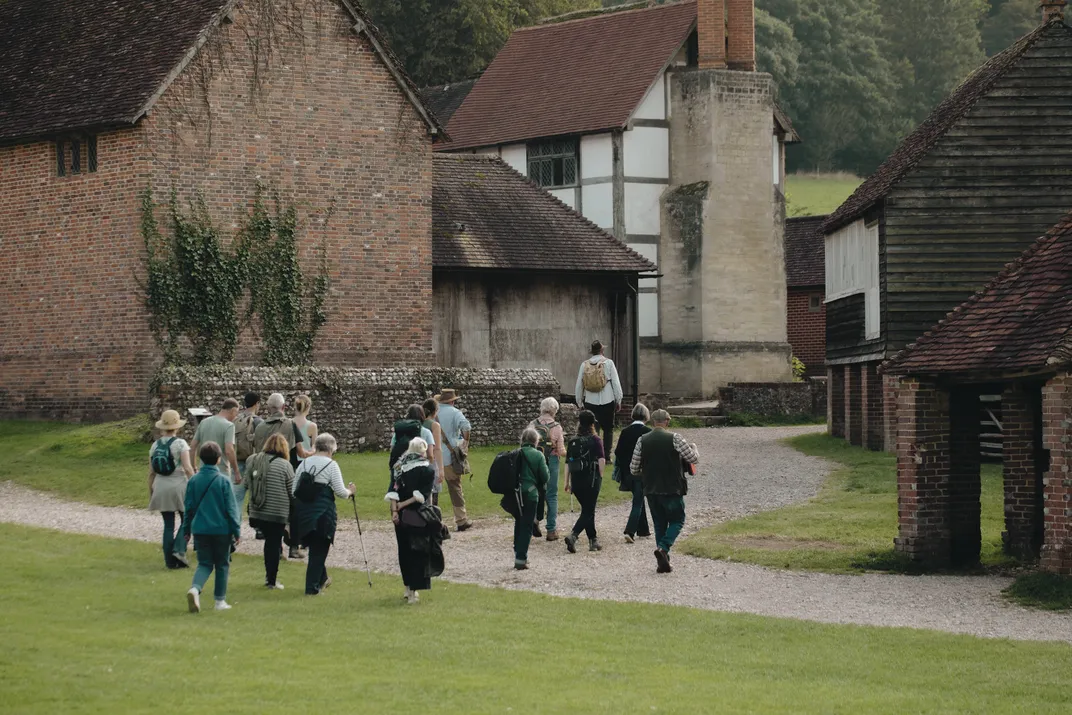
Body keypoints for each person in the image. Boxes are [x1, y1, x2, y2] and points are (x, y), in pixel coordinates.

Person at [629, 409, 700, 574]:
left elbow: (633, 468)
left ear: (653, 422)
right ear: (667, 421)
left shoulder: (642, 440)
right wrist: (694, 448)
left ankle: (663, 562)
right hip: (672, 487)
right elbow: (693, 459)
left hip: (651, 489)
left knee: (659, 523)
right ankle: (663, 548)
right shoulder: (675, 438)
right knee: (678, 520)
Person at [291, 433, 355, 596]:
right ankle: (311, 589)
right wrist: (350, 492)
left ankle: (322, 579)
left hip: (304, 512)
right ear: (331, 448)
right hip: (323, 513)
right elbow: (340, 492)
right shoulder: (331, 465)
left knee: (315, 549)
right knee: (319, 550)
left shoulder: (304, 463)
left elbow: (294, 490)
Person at [184, 442, 241, 613]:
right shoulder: (223, 481)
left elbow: (189, 508)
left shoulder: (193, 480)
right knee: (222, 564)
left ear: (201, 459)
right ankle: (219, 601)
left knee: (205, 563)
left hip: (200, 529)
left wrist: (186, 530)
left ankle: (195, 588)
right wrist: (236, 530)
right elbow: (231, 508)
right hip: (221, 530)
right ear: (218, 459)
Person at [254, 393, 308, 560]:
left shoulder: (260, 427)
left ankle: (276, 548)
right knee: (295, 509)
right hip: (287, 470)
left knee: (273, 511)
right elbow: (300, 451)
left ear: (268, 408)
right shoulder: (290, 425)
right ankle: (293, 546)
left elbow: (256, 451)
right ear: (284, 407)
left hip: (265, 472)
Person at [386, 437, 437, 603]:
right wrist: (403, 505)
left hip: (400, 517)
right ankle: (414, 591)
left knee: (403, 550)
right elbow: (421, 496)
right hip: (417, 514)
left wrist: (395, 510)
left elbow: (393, 490)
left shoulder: (399, 467)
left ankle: (407, 587)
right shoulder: (427, 470)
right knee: (418, 550)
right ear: (422, 451)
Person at [246, 433, 295, 590]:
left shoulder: (252, 460)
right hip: (276, 513)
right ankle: (271, 580)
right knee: (273, 544)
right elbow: (292, 491)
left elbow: (247, 483)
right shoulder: (285, 465)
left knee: (270, 543)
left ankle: (270, 577)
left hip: (256, 511)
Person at [148, 409, 195, 569]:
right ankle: (179, 549)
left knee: (168, 524)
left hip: (160, 484)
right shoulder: (180, 444)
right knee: (188, 519)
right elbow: (188, 468)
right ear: (177, 426)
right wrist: (195, 484)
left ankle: (169, 561)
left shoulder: (155, 445)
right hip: (178, 484)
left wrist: (151, 492)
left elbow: (151, 472)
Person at [563, 410, 606, 554]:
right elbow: (601, 459)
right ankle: (573, 535)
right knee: (588, 511)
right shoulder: (596, 440)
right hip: (591, 480)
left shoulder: (573, 441)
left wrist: (566, 481)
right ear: (593, 424)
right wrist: (601, 475)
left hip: (577, 480)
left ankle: (593, 540)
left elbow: (567, 462)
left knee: (587, 509)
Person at [575, 340, 623, 460]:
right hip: (607, 400)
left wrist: (579, 401)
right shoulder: (609, 363)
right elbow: (616, 383)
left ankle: (594, 455)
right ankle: (606, 456)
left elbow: (579, 384)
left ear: (592, 352)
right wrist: (618, 400)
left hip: (590, 401)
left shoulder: (584, 364)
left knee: (592, 429)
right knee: (608, 429)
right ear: (602, 350)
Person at [435, 388, 473, 532]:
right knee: (455, 488)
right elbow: (466, 427)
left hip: (434, 457)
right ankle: (461, 520)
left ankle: (433, 519)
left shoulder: (433, 413)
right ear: (452, 401)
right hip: (449, 457)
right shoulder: (455, 412)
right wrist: (465, 442)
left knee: (433, 490)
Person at [615, 403, 652, 543]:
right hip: (641, 472)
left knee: (639, 497)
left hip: (627, 472)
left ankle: (643, 530)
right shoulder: (647, 431)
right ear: (646, 416)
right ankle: (629, 531)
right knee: (638, 501)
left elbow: (618, 452)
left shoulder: (625, 432)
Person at [530, 397, 566, 541]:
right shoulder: (557, 427)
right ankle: (551, 530)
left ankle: (534, 520)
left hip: (534, 461)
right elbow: (561, 450)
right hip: (551, 460)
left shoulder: (532, 424)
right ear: (554, 410)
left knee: (535, 492)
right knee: (551, 494)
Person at [513, 428, 550, 570]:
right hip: (530, 494)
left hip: (516, 494)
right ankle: (521, 558)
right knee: (527, 525)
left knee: (518, 523)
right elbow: (545, 477)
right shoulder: (538, 455)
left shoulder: (515, 453)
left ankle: (517, 551)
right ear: (536, 441)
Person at [190, 398, 241, 490]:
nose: (235, 416)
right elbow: (229, 450)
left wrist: (193, 467)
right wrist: (236, 471)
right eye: (236, 413)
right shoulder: (229, 425)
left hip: (203, 471)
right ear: (233, 410)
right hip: (221, 472)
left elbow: (193, 446)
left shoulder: (203, 422)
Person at [233, 392, 263, 534]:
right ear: (257, 403)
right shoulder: (259, 422)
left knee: (237, 498)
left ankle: (235, 530)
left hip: (238, 461)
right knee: (256, 497)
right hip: (254, 462)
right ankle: (259, 529)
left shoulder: (236, 420)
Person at [422, 398, 445, 508]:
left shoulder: (419, 423)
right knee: (434, 492)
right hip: (431, 460)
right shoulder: (434, 425)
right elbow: (437, 448)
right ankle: (434, 517)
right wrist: (441, 469)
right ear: (435, 411)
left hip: (420, 459)